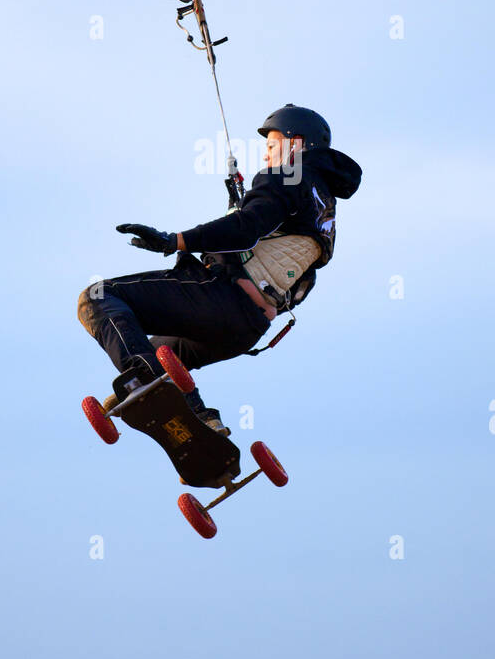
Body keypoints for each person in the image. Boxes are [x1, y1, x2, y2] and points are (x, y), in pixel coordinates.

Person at [77, 104, 362, 434]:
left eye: (271, 146)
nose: (266, 156)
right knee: (157, 353)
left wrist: (175, 240)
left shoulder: (286, 174)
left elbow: (246, 228)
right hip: (247, 328)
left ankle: (152, 386)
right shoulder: (325, 210)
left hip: (221, 300)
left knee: (97, 297)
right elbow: (288, 271)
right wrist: (240, 211)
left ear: (295, 144)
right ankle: (201, 420)